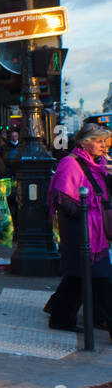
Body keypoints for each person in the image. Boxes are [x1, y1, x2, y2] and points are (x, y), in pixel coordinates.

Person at [45, 123, 112, 335]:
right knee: (101, 276)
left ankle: (59, 315)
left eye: (106, 142)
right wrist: (87, 212)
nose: (105, 147)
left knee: (77, 275)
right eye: (100, 142)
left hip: (93, 230)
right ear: (85, 142)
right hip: (80, 230)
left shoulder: (98, 164)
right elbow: (61, 197)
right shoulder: (70, 163)